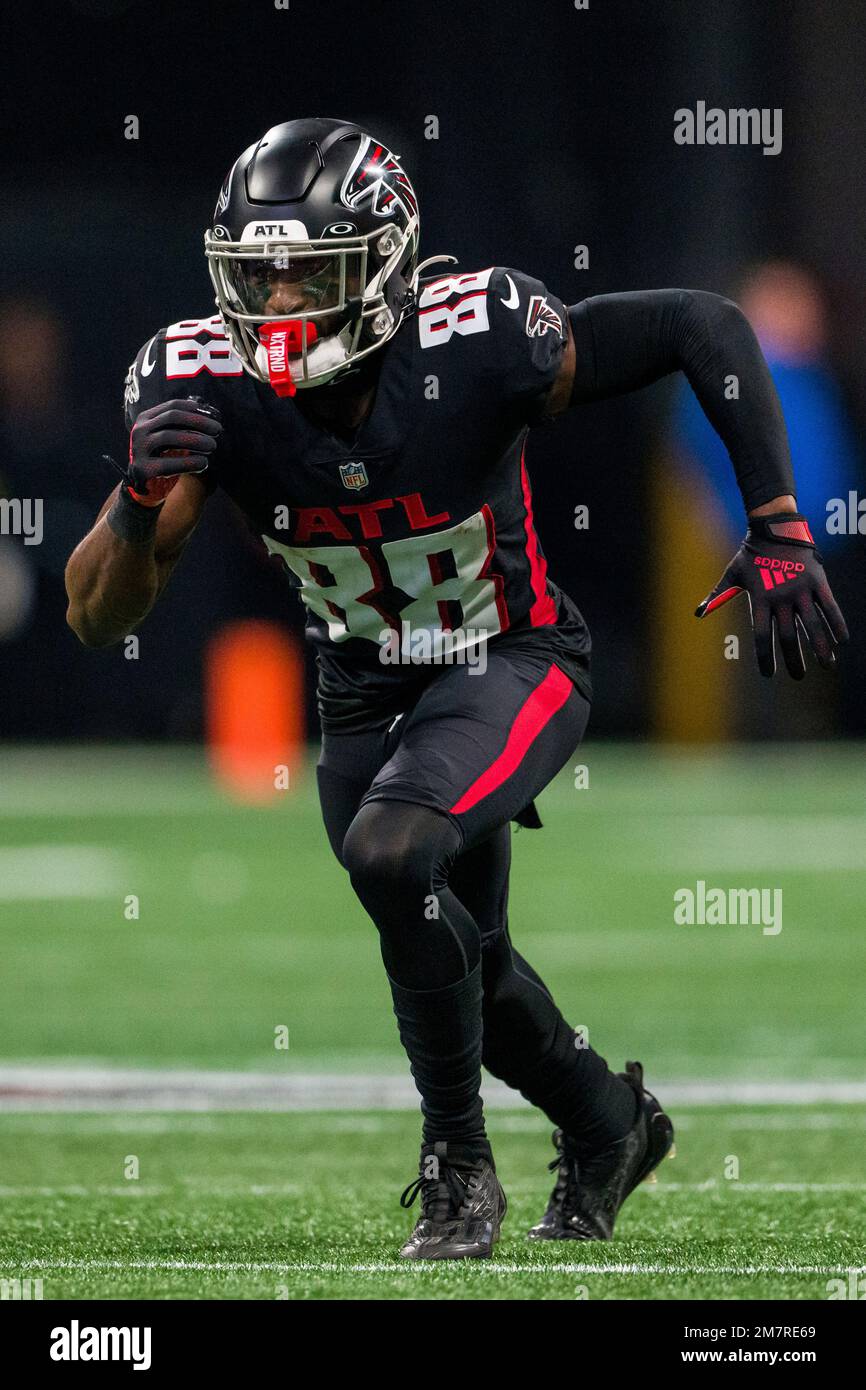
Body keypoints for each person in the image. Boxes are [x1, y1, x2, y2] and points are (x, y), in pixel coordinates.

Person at [65, 118, 847, 1260]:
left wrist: (776, 521)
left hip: (510, 654)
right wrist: (135, 507)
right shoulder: (201, 382)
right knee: (459, 957)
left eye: (309, 273)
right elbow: (98, 616)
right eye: (259, 274)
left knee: (392, 855)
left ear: (383, 266)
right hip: (360, 689)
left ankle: (455, 1170)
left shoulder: (477, 336)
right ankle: (605, 1120)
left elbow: (701, 324)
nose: (279, 304)